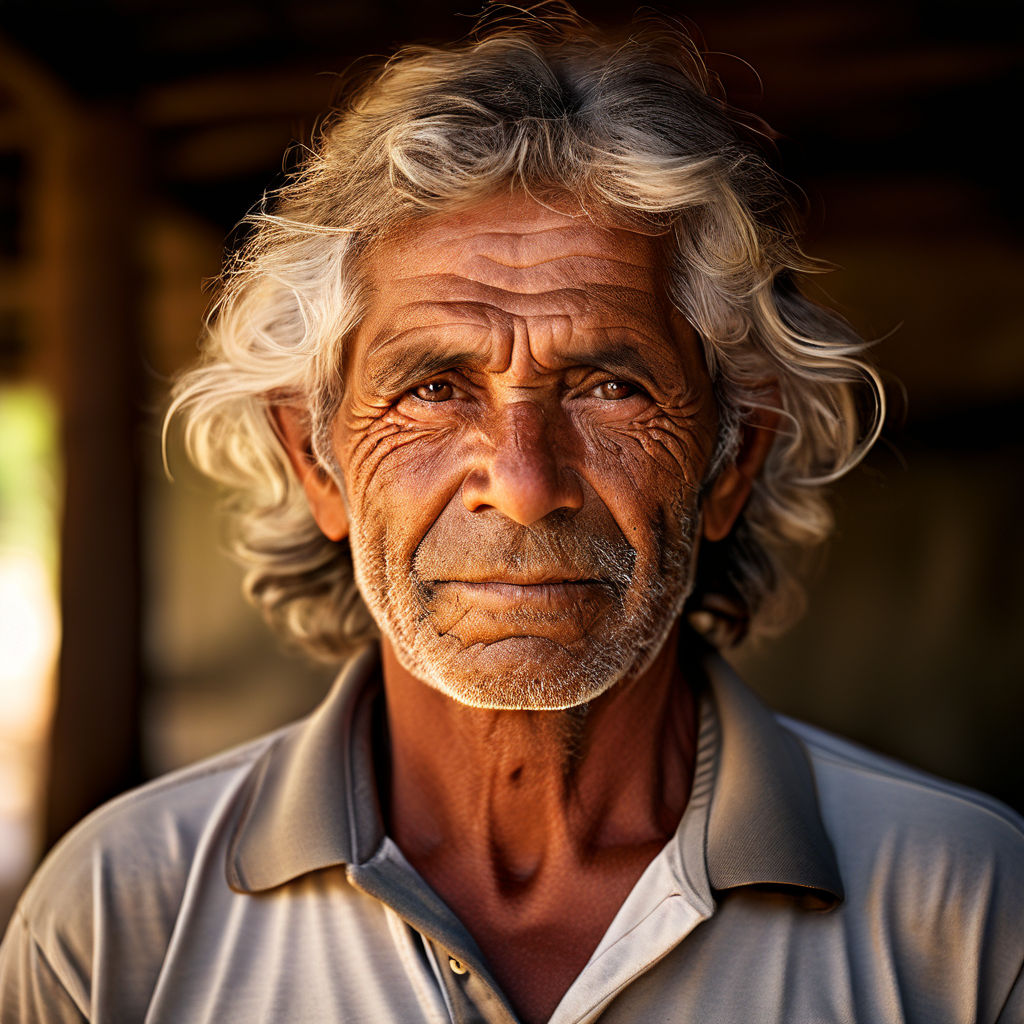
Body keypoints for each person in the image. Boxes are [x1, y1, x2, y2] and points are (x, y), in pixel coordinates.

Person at [2, 5, 1022, 1022]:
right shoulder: (119, 916)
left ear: (729, 460)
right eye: (434, 389)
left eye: (607, 386)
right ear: (315, 460)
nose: (526, 484)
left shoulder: (968, 911)